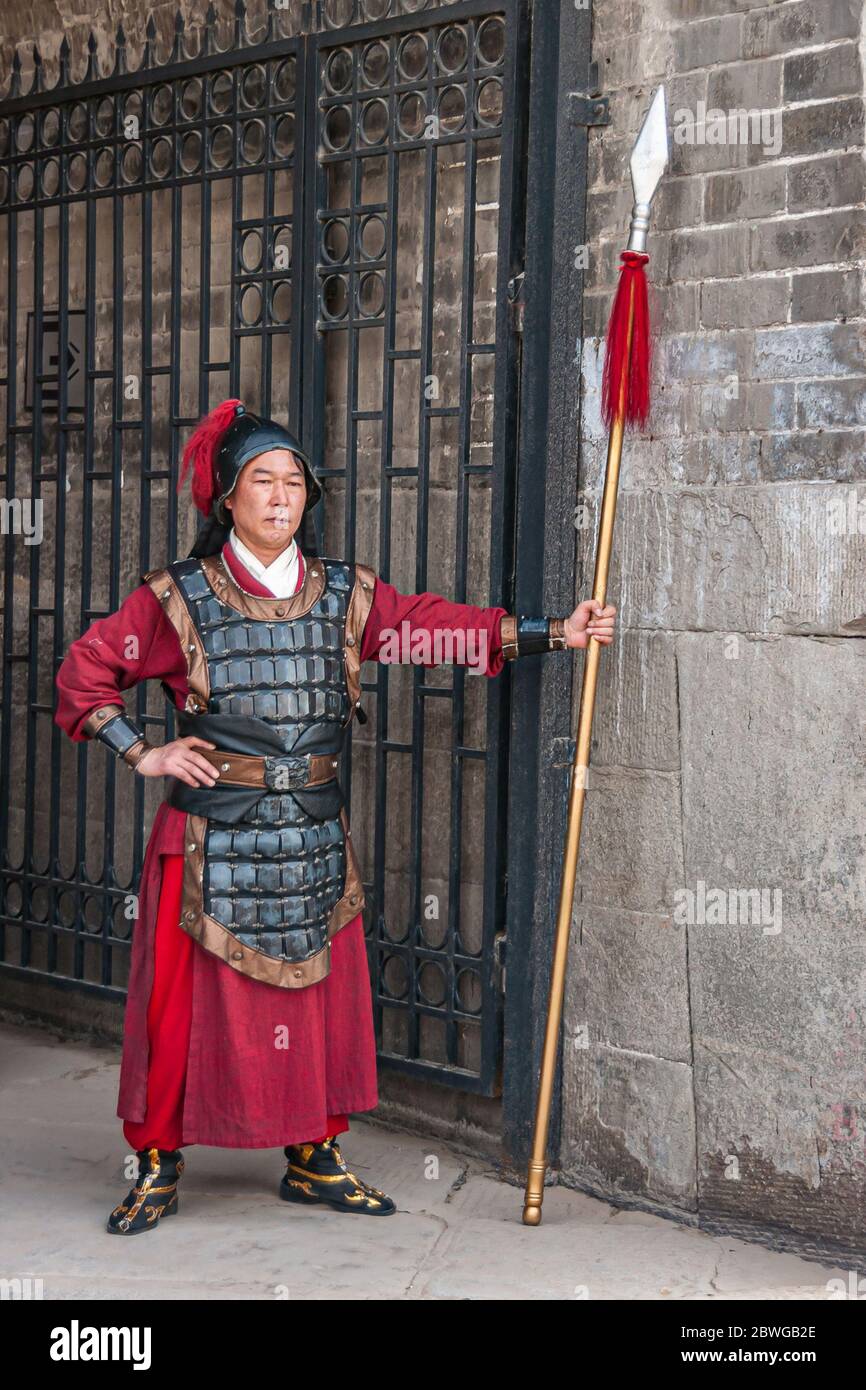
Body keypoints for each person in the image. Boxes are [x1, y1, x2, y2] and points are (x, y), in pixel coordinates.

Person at [54, 398, 617, 1233]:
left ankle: (313, 1153)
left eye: (294, 483)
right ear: (228, 499)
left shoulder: (346, 595)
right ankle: (157, 1162)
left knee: (309, 1004)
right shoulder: (176, 598)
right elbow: (85, 671)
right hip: (212, 836)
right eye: (262, 482)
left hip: (314, 836)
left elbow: (429, 631)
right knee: (182, 1012)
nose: (281, 498)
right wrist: (147, 752)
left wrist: (551, 634)